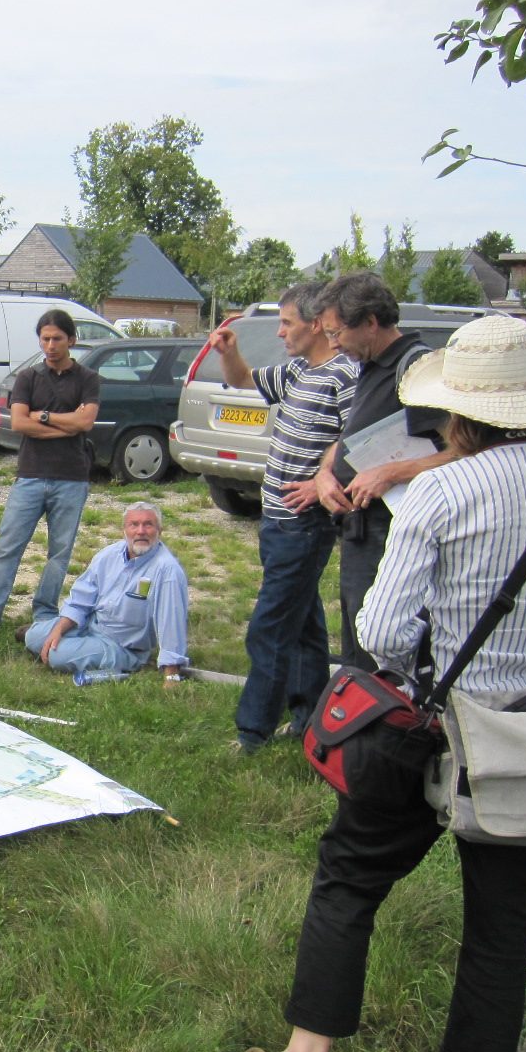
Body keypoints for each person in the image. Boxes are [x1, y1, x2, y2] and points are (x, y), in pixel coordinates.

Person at [249, 314, 526, 1052]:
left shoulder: (441, 489)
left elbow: (380, 632)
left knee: (350, 877)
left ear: (457, 412)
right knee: (502, 914)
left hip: (425, 731)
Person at [208, 282, 358, 751]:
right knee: (305, 622)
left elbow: (359, 435)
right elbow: (241, 381)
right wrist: (229, 352)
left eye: (286, 323)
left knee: (269, 627)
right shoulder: (297, 371)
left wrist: (321, 479)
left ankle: (252, 731)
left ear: (316, 324)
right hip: (274, 518)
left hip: (305, 525)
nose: (279, 333)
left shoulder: (344, 375)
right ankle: (310, 718)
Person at [312, 272, 448, 669]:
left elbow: (466, 454)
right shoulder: (369, 364)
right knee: (356, 636)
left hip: (394, 536)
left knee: (381, 645)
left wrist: (392, 473)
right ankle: (352, 725)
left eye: (337, 334)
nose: (334, 346)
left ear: (370, 322)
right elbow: (349, 438)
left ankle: (384, 728)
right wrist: (324, 474)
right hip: (358, 531)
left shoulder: (417, 370)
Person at [0, 309, 100, 637]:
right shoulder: (29, 378)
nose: (50, 345)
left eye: (57, 339)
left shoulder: (88, 379)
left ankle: (44, 614)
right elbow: (20, 423)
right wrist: (67, 424)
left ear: (71, 340)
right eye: (45, 338)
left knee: (59, 552)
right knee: (8, 545)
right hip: (31, 475)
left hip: (72, 477)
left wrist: (46, 418)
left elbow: (86, 423)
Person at [24, 501, 189, 685]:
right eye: (134, 525)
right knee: (33, 637)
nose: (140, 531)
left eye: (148, 525)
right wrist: (59, 629)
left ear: (160, 530)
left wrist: (172, 673)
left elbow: (171, 622)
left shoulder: (167, 571)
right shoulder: (109, 555)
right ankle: (46, 636)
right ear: (124, 530)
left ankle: (124, 661)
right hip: (91, 623)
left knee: (57, 656)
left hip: (121, 645)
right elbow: (81, 599)